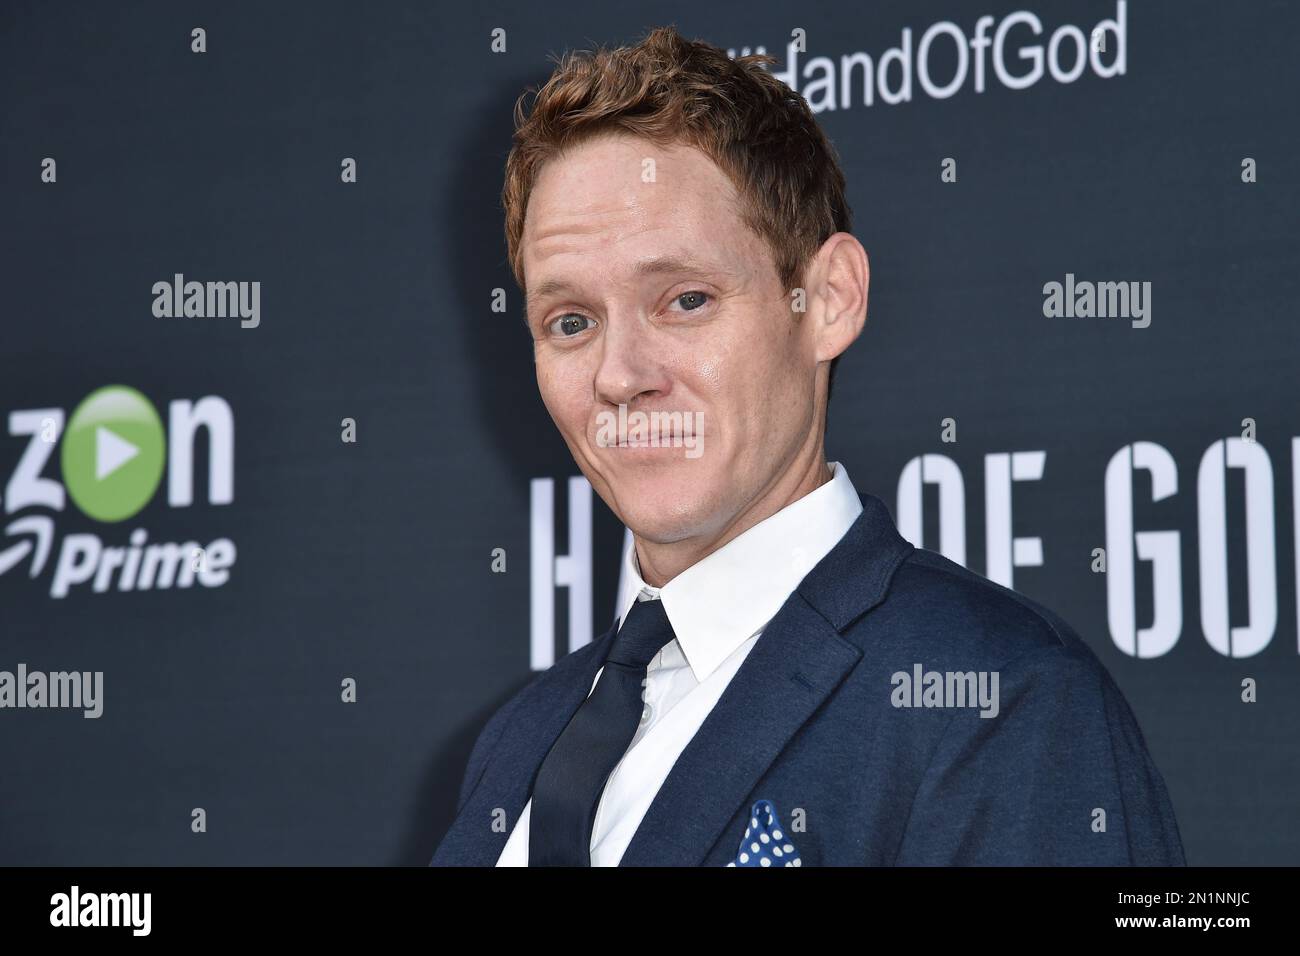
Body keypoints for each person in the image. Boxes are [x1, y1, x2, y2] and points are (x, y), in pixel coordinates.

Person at [430, 25, 1184, 867]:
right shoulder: (519, 742)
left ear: (829, 299)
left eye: (685, 300)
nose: (620, 374)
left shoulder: (1005, 704)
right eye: (571, 321)